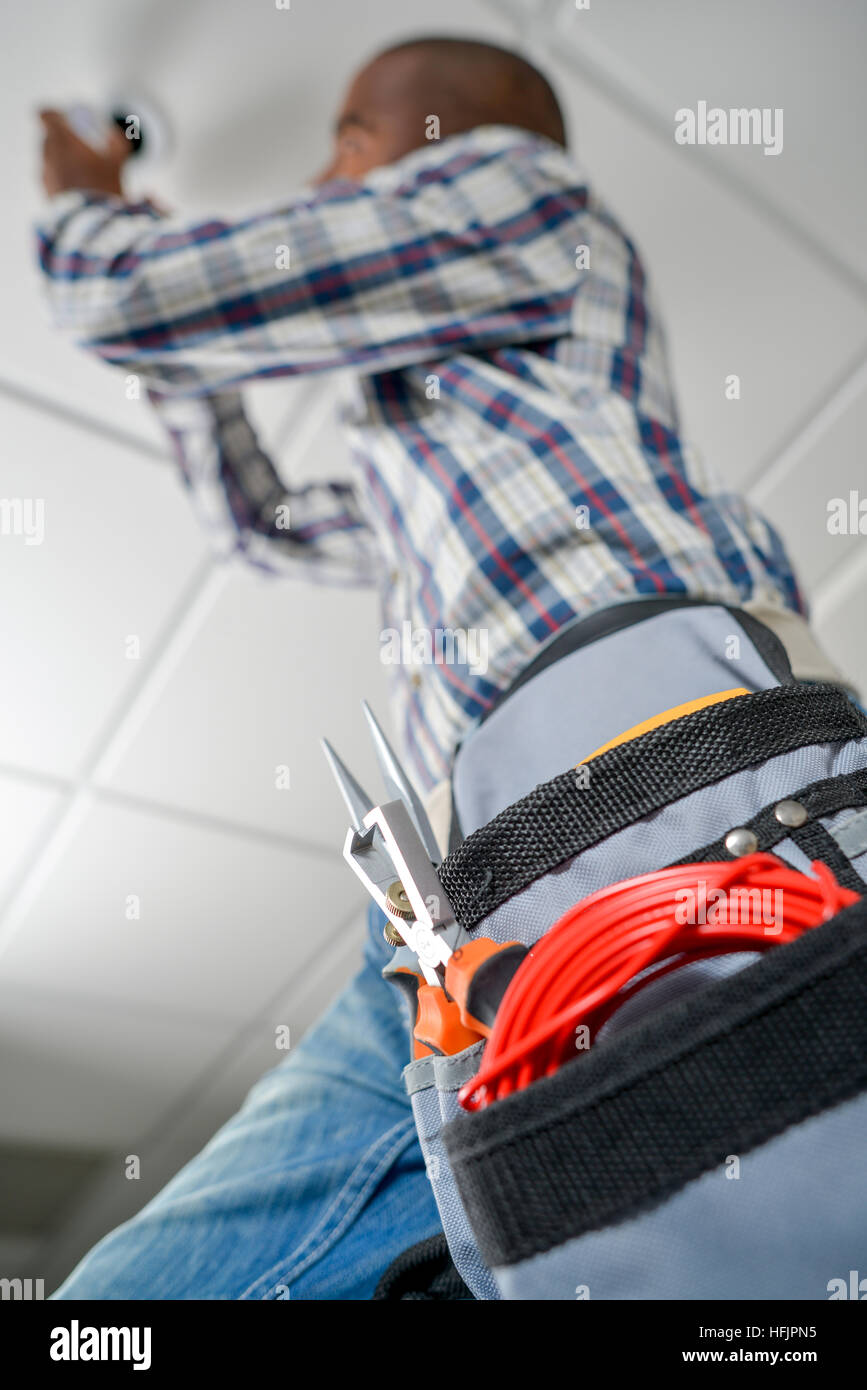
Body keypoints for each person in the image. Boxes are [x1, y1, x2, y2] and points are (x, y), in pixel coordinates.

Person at [36, 36, 845, 1299]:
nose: (324, 178)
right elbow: (261, 523)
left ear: (416, 133)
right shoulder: (451, 420)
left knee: (730, 1205)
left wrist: (85, 201)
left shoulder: (516, 194)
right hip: (458, 901)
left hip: (626, 769)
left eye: (342, 146)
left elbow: (122, 296)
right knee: (124, 1308)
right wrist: (191, 362)